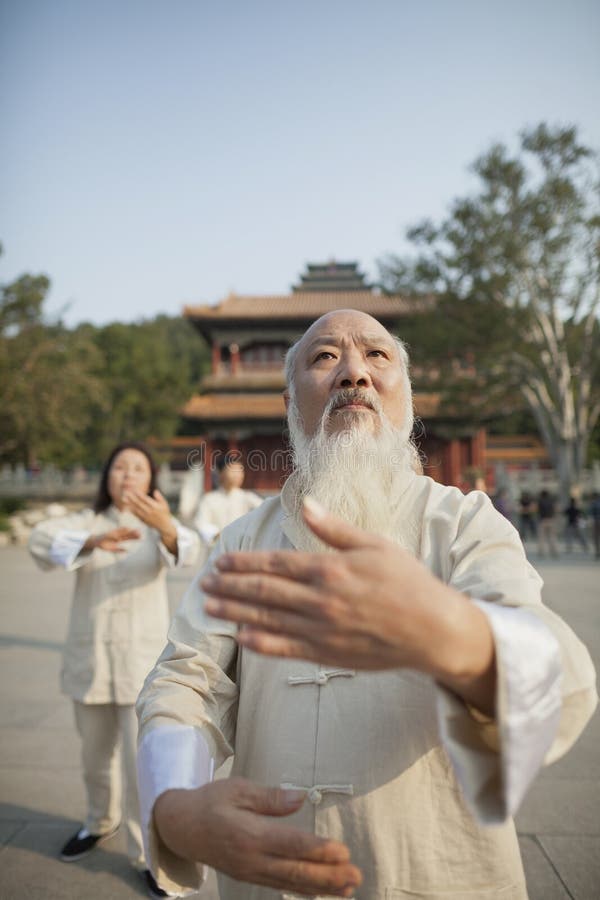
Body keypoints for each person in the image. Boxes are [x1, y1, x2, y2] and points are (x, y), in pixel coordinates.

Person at [136, 311, 597, 900]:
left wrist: (452, 634)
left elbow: (563, 674)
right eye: (325, 357)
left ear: (407, 399)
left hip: (439, 874)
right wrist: (174, 804)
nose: (354, 372)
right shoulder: (242, 541)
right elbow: (186, 679)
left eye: (377, 356)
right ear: (288, 402)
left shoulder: (464, 524)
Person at [29, 441, 199, 900]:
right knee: (94, 756)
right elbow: (38, 541)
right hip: (91, 663)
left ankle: (147, 856)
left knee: (141, 766)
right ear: (107, 477)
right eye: (119, 467)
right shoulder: (87, 522)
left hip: (141, 665)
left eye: (138, 468)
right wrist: (91, 541)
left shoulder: (160, 527)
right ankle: (97, 821)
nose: (127, 475)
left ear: (151, 480)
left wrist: (164, 528)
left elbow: (190, 550)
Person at [194, 454, 263, 548]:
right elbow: (201, 523)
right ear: (220, 473)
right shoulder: (209, 499)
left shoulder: (248, 498)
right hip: (217, 547)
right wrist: (220, 535)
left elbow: (266, 513)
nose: (237, 475)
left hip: (242, 547)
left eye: (240, 471)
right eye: (233, 470)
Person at [537, 489, 559, 558]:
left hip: (542, 520)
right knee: (552, 537)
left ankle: (541, 553)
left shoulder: (540, 501)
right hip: (551, 520)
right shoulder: (551, 501)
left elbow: (537, 510)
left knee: (542, 538)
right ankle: (554, 552)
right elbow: (555, 509)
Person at [589, 491, 600, 559]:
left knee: (596, 538)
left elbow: (590, 513)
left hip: (596, 521)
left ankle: (597, 552)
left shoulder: (593, 503)